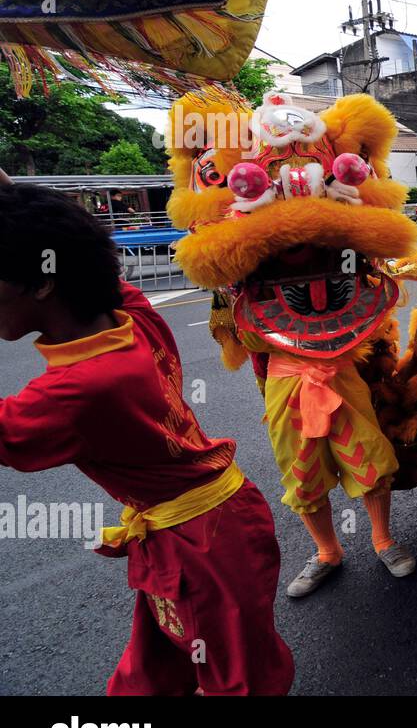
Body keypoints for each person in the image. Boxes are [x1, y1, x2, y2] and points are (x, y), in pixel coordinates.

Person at [0, 171, 294, 695]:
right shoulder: (129, 317)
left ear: (43, 281)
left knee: (237, 680)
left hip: (200, 547)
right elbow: (82, 249)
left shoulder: (75, 389)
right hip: (210, 527)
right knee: (161, 664)